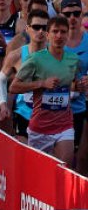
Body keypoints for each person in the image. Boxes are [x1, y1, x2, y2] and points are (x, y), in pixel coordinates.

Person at [10, 15, 80, 162]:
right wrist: (42, 84)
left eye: (63, 32)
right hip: (40, 128)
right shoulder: (35, 59)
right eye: (55, 31)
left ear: (68, 35)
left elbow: (72, 85)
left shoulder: (73, 60)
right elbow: (13, 87)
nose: (59, 36)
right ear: (48, 35)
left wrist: (80, 86)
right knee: (36, 172)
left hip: (64, 125)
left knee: (65, 166)